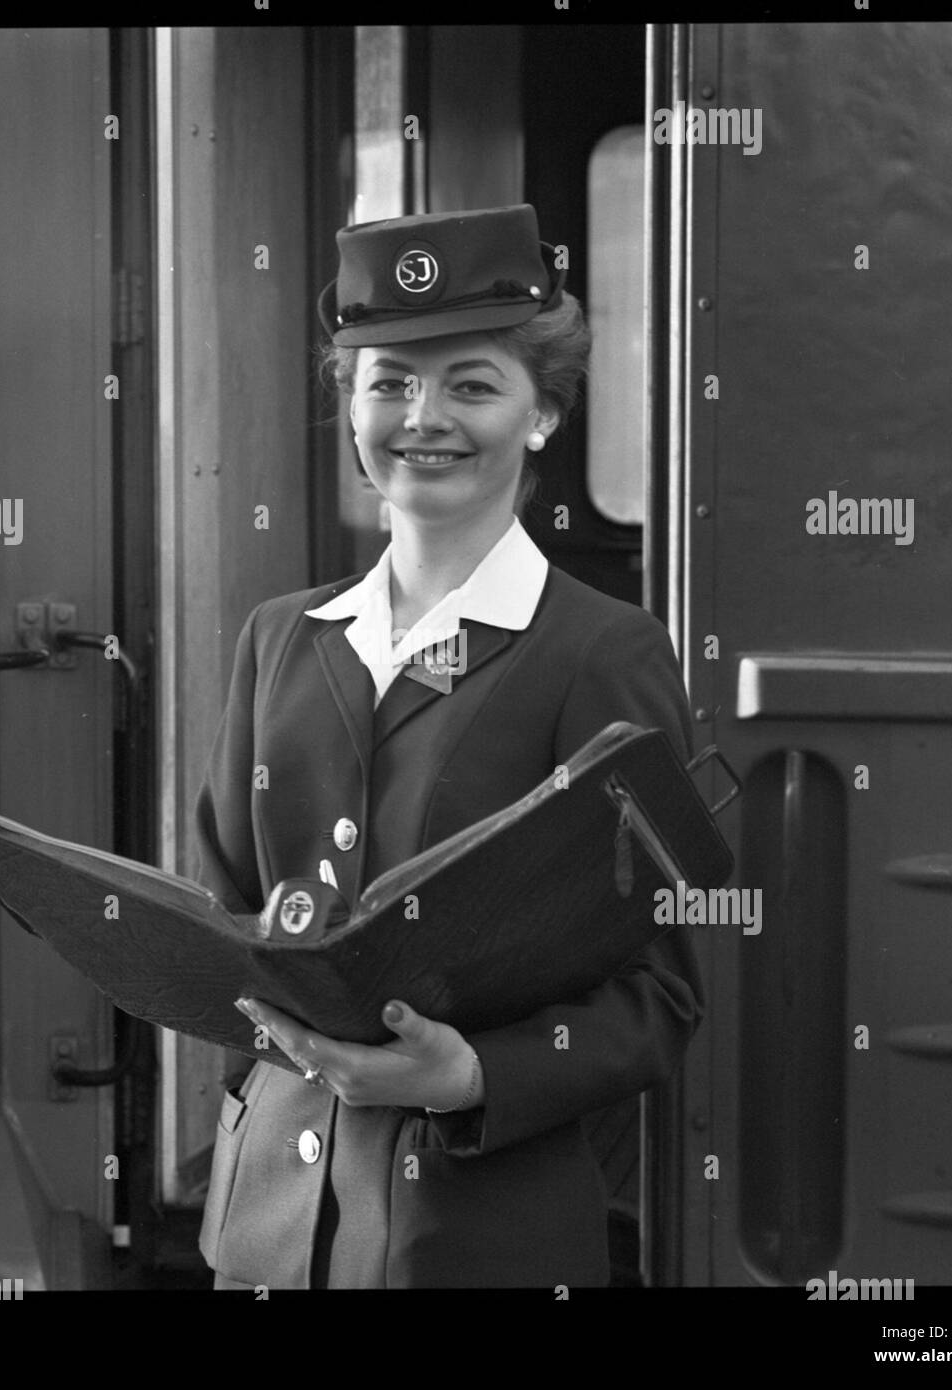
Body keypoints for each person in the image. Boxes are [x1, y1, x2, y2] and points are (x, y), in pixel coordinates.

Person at [194, 204, 703, 1289]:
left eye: (471, 384)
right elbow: (225, 916)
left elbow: (658, 997)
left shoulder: (602, 655)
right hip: (266, 1235)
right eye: (387, 382)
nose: (422, 418)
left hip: (478, 1241)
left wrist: (469, 1070)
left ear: (542, 414)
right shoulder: (278, 638)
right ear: (349, 403)